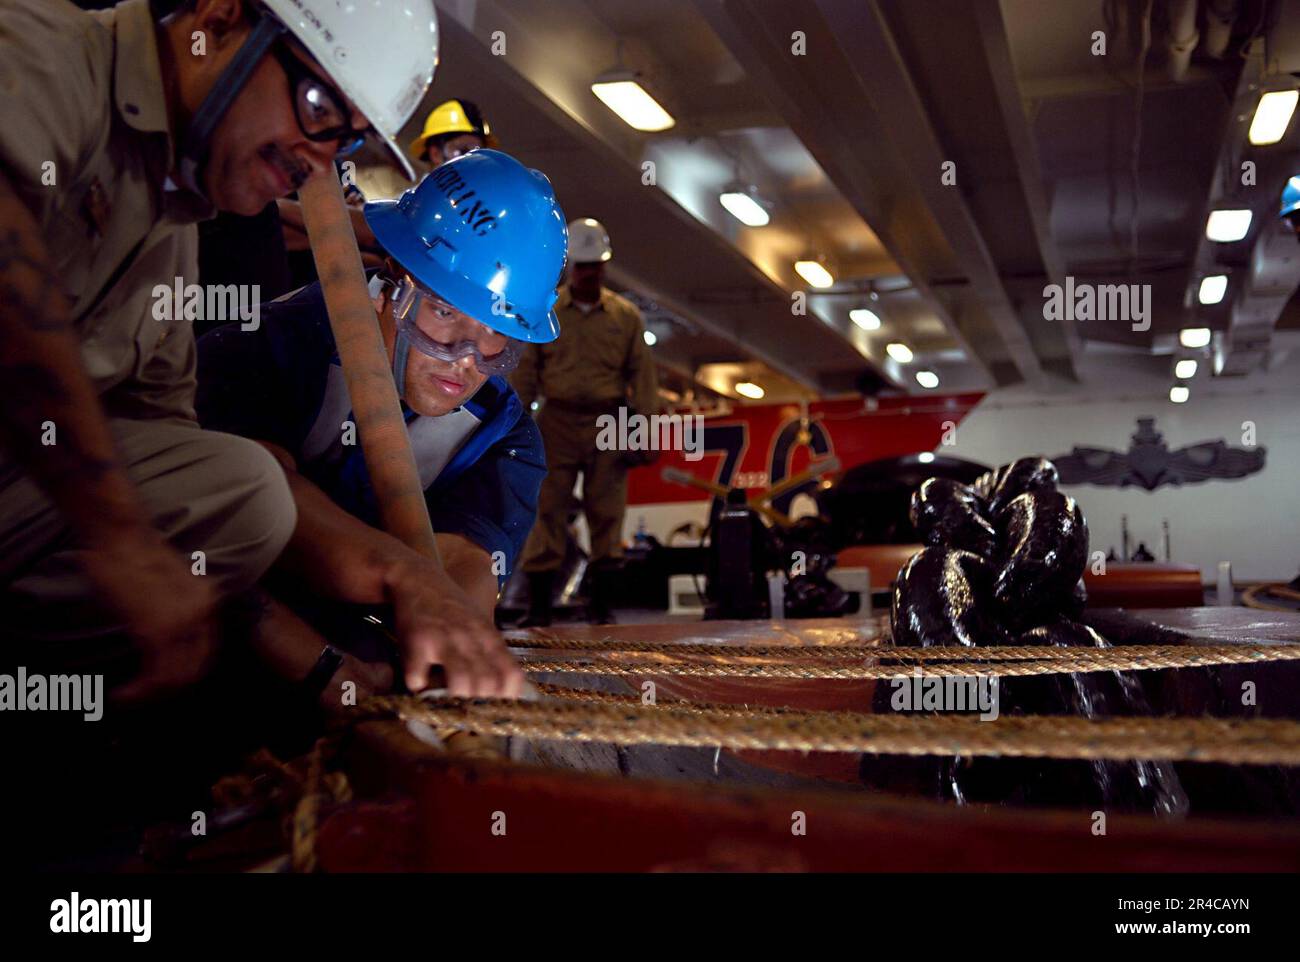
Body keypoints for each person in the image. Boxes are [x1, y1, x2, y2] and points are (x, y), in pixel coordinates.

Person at [0, 0, 438, 700]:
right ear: (222, 13)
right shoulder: (45, 52)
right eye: (317, 101)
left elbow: (173, 454)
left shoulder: (170, 236)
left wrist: (322, 657)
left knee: (241, 496)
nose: (317, 158)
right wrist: (116, 533)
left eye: (345, 141)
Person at [196, 150, 568, 702]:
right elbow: (247, 511)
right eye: (443, 312)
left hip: (360, 644)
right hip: (222, 618)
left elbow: (465, 570)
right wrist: (333, 660)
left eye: (495, 334)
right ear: (394, 283)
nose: (465, 358)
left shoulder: (503, 438)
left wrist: (444, 660)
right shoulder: (272, 344)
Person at [511, 218, 660, 626]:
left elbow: (642, 378)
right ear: (569, 266)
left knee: (607, 508)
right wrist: (515, 426)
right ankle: (539, 607)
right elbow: (526, 371)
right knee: (547, 506)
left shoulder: (626, 317)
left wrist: (645, 432)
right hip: (556, 419)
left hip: (608, 418)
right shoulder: (546, 311)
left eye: (596, 265)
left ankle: (603, 605)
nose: (589, 272)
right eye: (582, 265)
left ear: (604, 267)